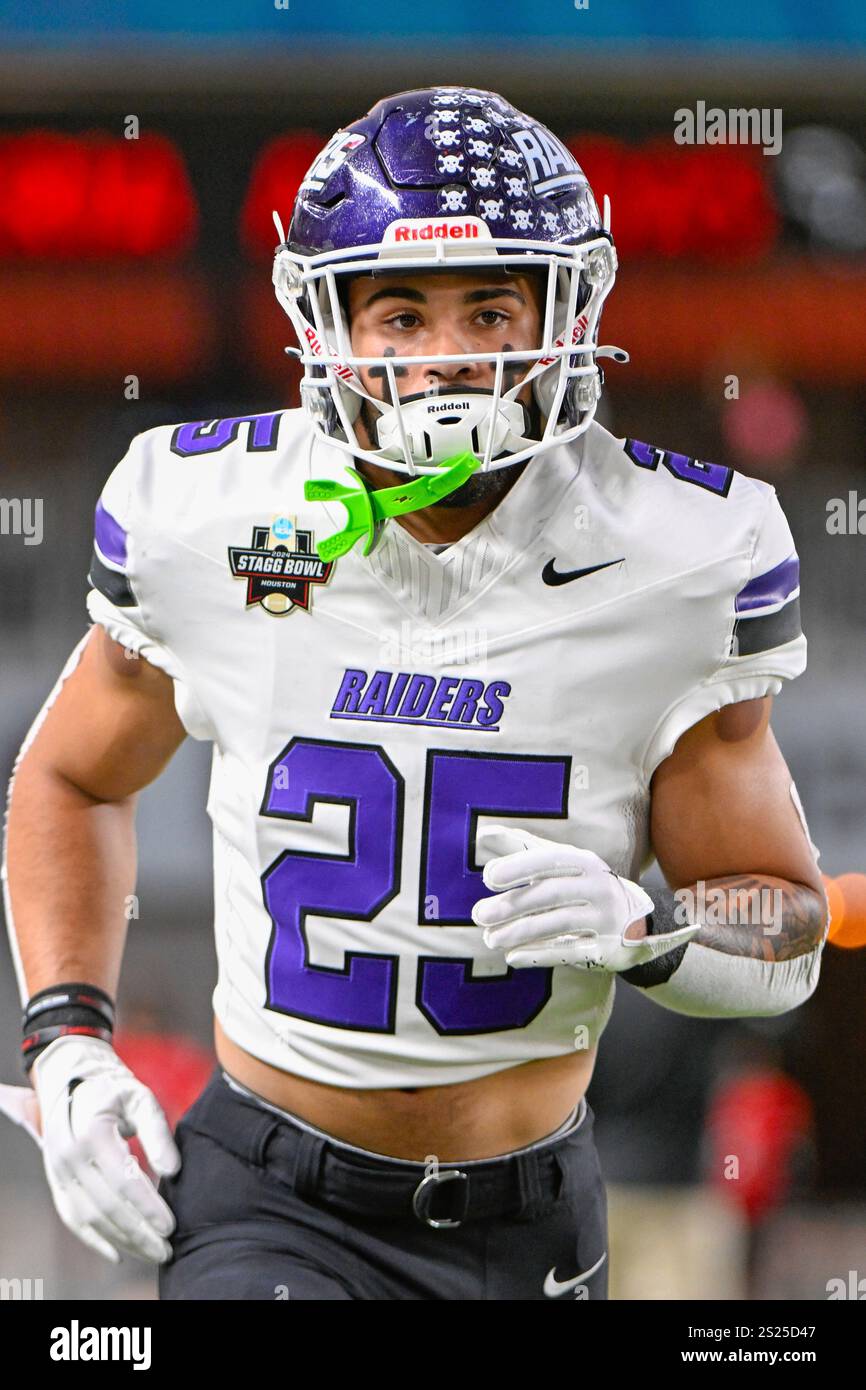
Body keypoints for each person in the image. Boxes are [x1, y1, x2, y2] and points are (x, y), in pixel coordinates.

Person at [1, 86, 829, 1301]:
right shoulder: (218, 520)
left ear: (565, 315)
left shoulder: (679, 556)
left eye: (490, 306)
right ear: (324, 323)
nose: (448, 358)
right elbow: (68, 776)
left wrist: (651, 934)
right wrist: (69, 1039)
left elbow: (786, 926)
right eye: (399, 312)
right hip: (272, 1199)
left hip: (533, 1211)